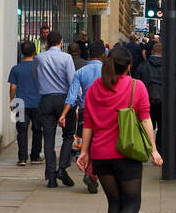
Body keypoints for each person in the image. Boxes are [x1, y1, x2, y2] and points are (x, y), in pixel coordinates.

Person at [77, 44, 162, 213]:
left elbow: (88, 123)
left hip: (101, 154)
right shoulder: (137, 87)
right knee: (133, 201)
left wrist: (85, 152)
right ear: (129, 66)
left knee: (114, 202)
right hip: (127, 153)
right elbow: (145, 120)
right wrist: (153, 150)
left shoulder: (95, 88)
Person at [60, 39, 106, 192]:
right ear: (102, 55)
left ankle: (90, 172)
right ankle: (92, 173)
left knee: (88, 142)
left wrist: (64, 114)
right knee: (100, 144)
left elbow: (72, 96)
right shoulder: (107, 71)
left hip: (86, 110)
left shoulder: (80, 72)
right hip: (104, 111)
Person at [34, 31, 77, 187]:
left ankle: (51, 176)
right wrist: (75, 100)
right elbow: (72, 80)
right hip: (63, 99)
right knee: (68, 135)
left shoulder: (39, 58)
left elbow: (36, 76)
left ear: (47, 42)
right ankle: (62, 167)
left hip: (46, 99)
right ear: (61, 41)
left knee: (49, 138)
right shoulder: (67, 58)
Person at [8, 40, 43, 166]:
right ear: (34, 52)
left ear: (22, 53)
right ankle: (35, 156)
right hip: (38, 103)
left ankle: (22, 158)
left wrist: (12, 101)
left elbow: (13, 87)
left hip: (21, 103)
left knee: (22, 130)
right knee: (38, 129)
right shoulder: (39, 68)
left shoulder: (16, 68)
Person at [137, 39, 164, 156]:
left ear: (152, 51)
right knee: (162, 128)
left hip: (147, 102)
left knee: (147, 125)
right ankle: (159, 150)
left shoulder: (143, 66)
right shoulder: (169, 67)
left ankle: (147, 149)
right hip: (163, 103)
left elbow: (136, 83)